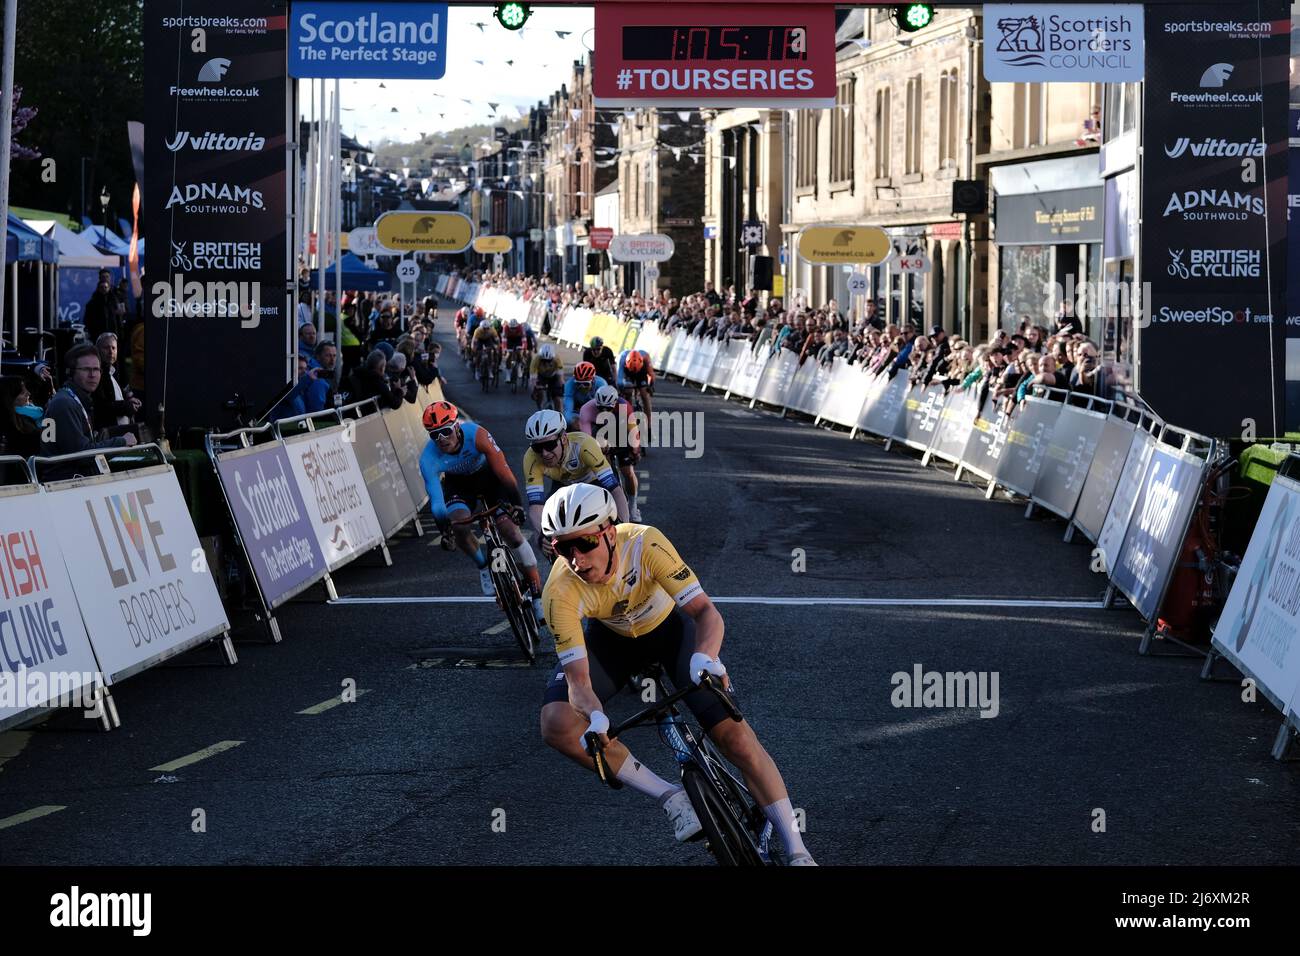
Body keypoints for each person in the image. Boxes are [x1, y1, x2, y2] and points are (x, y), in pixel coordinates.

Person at [537, 484, 816, 863]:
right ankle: (671, 796)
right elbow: (578, 682)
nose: (575, 559)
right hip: (612, 641)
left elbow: (705, 612)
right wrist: (595, 715)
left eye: (583, 543)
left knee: (734, 738)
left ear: (607, 531)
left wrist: (706, 657)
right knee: (557, 723)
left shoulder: (644, 542)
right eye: (561, 547)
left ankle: (798, 851)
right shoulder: (559, 590)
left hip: (669, 631)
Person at [419, 402, 544, 623]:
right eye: (434, 435)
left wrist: (516, 505)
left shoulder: (477, 434)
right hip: (458, 487)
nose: (441, 439)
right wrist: (444, 530)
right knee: (459, 526)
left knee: (511, 532)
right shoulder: (428, 459)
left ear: (457, 426)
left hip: (489, 479)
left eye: (446, 431)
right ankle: (484, 565)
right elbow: (437, 502)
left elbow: (504, 474)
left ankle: (537, 595)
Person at [522, 409, 629, 549]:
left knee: (615, 517)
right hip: (564, 484)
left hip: (593, 481)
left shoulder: (584, 445)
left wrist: (624, 528)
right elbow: (536, 506)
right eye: (537, 447)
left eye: (549, 445)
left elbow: (615, 490)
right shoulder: (531, 458)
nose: (544, 453)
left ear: (564, 439)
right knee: (542, 534)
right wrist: (545, 535)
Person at [39, 345, 138, 472]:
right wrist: (121, 442)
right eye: (86, 369)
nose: (92, 375)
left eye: (96, 369)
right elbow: (81, 455)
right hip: (65, 482)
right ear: (71, 372)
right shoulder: (65, 403)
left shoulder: (74, 399)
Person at [579, 384, 642, 522]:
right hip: (599, 436)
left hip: (621, 434)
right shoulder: (586, 410)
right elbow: (587, 440)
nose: (604, 411)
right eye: (600, 407)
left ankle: (632, 506)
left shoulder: (625, 406)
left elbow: (633, 432)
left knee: (628, 472)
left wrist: (635, 450)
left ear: (615, 403)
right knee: (605, 473)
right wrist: (597, 448)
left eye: (608, 408)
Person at [0, 376, 41, 458]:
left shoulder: (28, 416)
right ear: (10, 398)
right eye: (22, 393)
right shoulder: (11, 426)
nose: (29, 394)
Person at [615, 348, 655, 429]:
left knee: (645, 395)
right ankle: (629, 416)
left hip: (641, 373)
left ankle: (649, 423)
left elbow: (651, 375)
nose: (634, 372)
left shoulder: (646, 357)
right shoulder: (622, 358)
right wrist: (621, 390)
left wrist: (650, 386)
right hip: (627, 373)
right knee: (628, 392)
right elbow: (619, 380)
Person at [83, 269, 126, 343]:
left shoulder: (117, 294)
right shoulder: (94, 298)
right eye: (103, 277)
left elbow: (123, 311)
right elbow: (88, 318)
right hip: (99, 333)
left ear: (110, 278)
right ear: (100, 279)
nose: (105, 278)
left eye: (107, 276)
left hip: (115, 331)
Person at [562, 361, 608, 428]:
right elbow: (568, 411)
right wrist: (572, 421)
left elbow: (604, 409)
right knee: (568, 422)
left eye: (586, 384)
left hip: (594, 410)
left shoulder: (602, 384)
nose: (582, 387)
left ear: (593, 381)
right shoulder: (569, 385)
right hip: (577, 412)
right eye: (578, 384)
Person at [529, 343, 564, 409]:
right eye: (544, 361)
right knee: (539, 392)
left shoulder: (557, 359)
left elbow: (560, 378)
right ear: (540, 358)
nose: (546, 363)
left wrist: (561, 386)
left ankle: (559, 415)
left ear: (553, 358)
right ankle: (540, 408)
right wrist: (534, 389)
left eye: (549, 361)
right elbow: (533, 379)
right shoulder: (535, 360)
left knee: (557, 399)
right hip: (541, 376)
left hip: (554, 376)